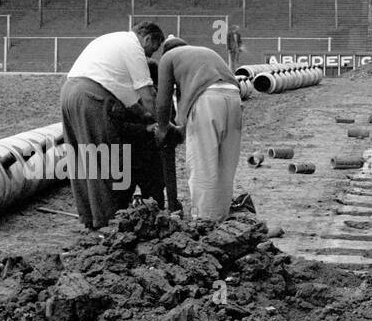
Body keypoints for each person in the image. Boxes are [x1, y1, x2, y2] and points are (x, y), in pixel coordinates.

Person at [60, 22, 165, 229]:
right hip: (92, 97)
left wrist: (145, 116)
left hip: (69, 93)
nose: (150, 54)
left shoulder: (112, 41)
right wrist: (161, 125)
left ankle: (89, 218)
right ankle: (107, 223)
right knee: (103, 160)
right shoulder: (133, 47)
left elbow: (131, 101)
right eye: (153, 48)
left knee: (82, 159)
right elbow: (148, 95)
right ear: (147, 39)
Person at [154, 35, 244, 222]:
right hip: (234, 98)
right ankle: (221, 219)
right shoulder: (204, 53)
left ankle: (202, 221)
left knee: (202, 165)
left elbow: (163, 102)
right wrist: (183, 127)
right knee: (226, 166)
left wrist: (162, 128)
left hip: (207, 99)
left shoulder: (168, 58)